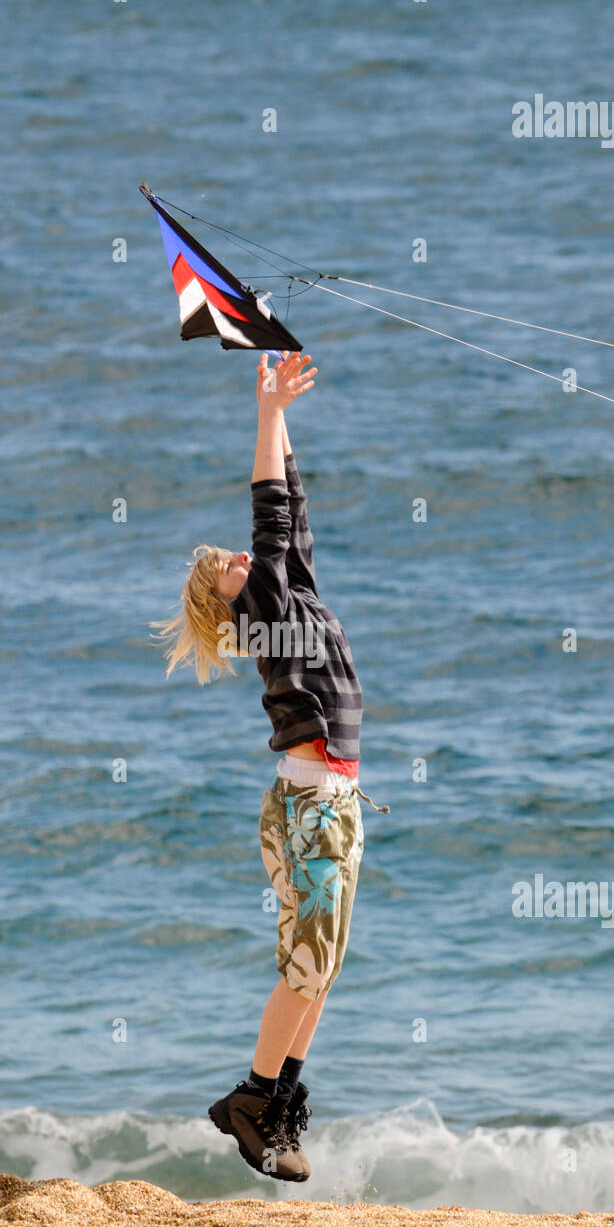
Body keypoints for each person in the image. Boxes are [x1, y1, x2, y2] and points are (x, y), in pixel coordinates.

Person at [152, 350, 388, 1182]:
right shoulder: (263, 610)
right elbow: (270, 515)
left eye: (239, 559)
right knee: (310, 966)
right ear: (227, 597)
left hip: (326, 799)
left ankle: (275, 1106)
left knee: (320, 970)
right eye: (229, 567)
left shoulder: (298, 594)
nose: (243, 561)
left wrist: (283, 411)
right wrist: (263, 408)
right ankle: (254, 1097)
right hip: (312, 802)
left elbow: (292, 510)